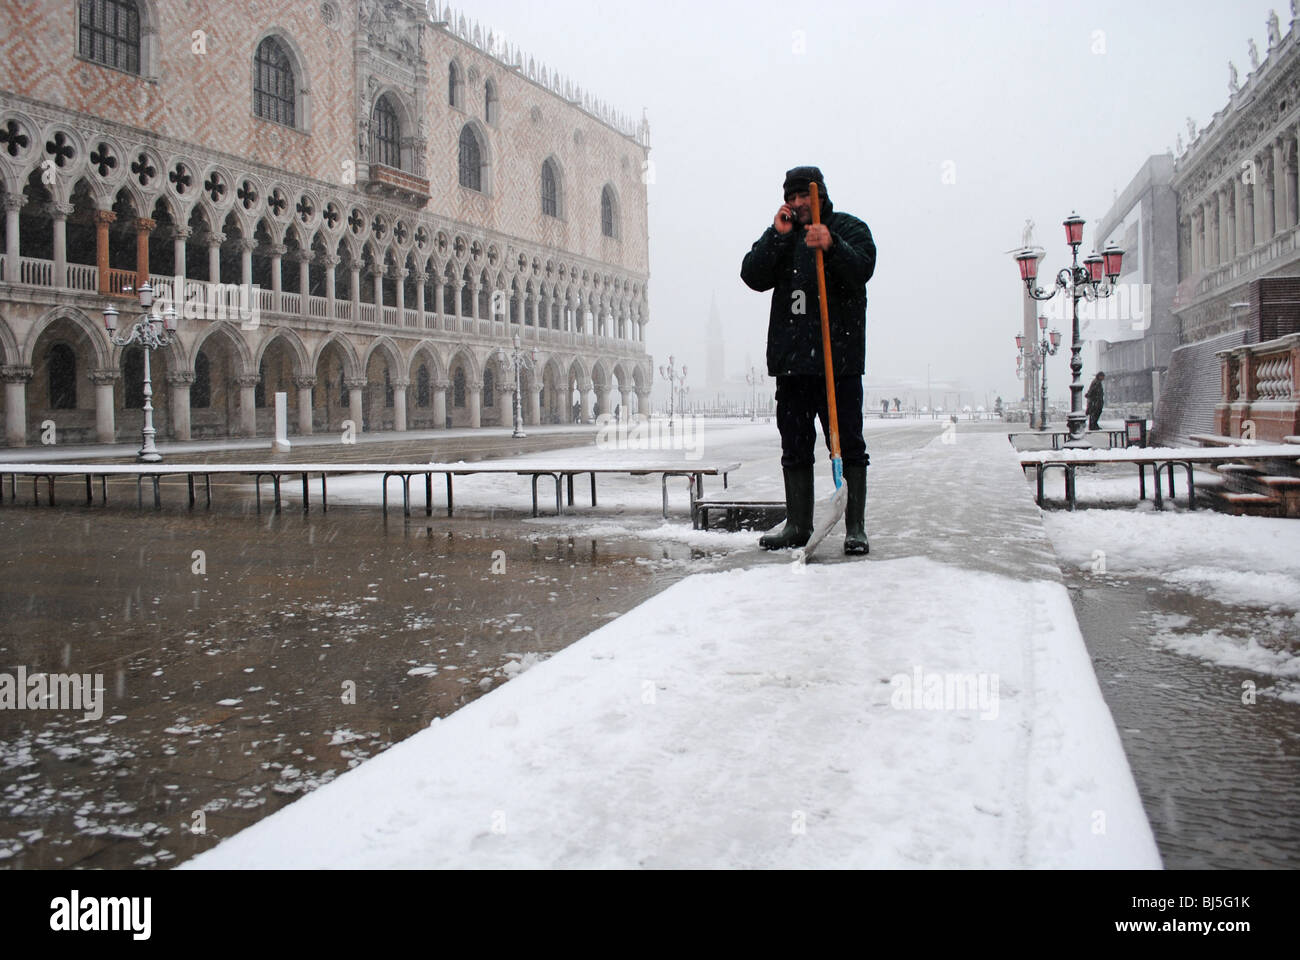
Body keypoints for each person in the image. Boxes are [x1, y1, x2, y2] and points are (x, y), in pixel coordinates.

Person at [741, 166, 877, 555]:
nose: (799, 203)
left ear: (819, 195)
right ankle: (798, 524)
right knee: (795, 447)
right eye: (793, 197)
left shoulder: (850, 229)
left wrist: (832, 245)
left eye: (805, 196)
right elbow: (751, 275)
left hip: (840, 363)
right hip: (793, 367)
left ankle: (855, 528)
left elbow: (862, 270)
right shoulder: (784, 238)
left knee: (849, 445)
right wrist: (775, 237)